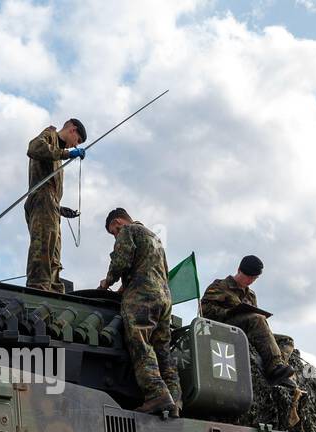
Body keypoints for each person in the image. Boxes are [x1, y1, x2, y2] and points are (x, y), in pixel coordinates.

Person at [99, 208, 182, 415]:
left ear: (118, 222)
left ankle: (156, 395)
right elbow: (152, 269)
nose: (115, 235)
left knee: (140, 343)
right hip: (164, 298)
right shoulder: (154, 238)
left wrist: (107, 282)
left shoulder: (127, 231)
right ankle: (175, 401)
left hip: (142, 297)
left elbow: (121, 262)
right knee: (163, 351)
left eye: (113, 231)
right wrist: (123, 288)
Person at [200, 255, 296, 385]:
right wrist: (230, 312)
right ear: (239, 270)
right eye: (248, 276)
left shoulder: (251, 295)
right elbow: (205, 311)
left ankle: (276, 371)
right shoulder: (220, 286)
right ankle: (275, 366)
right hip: (224, 327)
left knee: (287, 340)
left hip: (247, 330)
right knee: (257, 319)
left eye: (254, 278)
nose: (250, 281)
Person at [25, 118, 86, 293]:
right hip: (42, 199)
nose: (75, 145)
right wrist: (67, 155)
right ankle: (39, 286)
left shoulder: (58, 152)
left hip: (52, 205)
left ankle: (53, 287)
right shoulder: (50, 135)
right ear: (72, 129)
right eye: (78, 140)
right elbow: (34, 148)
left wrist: (60, 209)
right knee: (44, 245)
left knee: (54, 252)